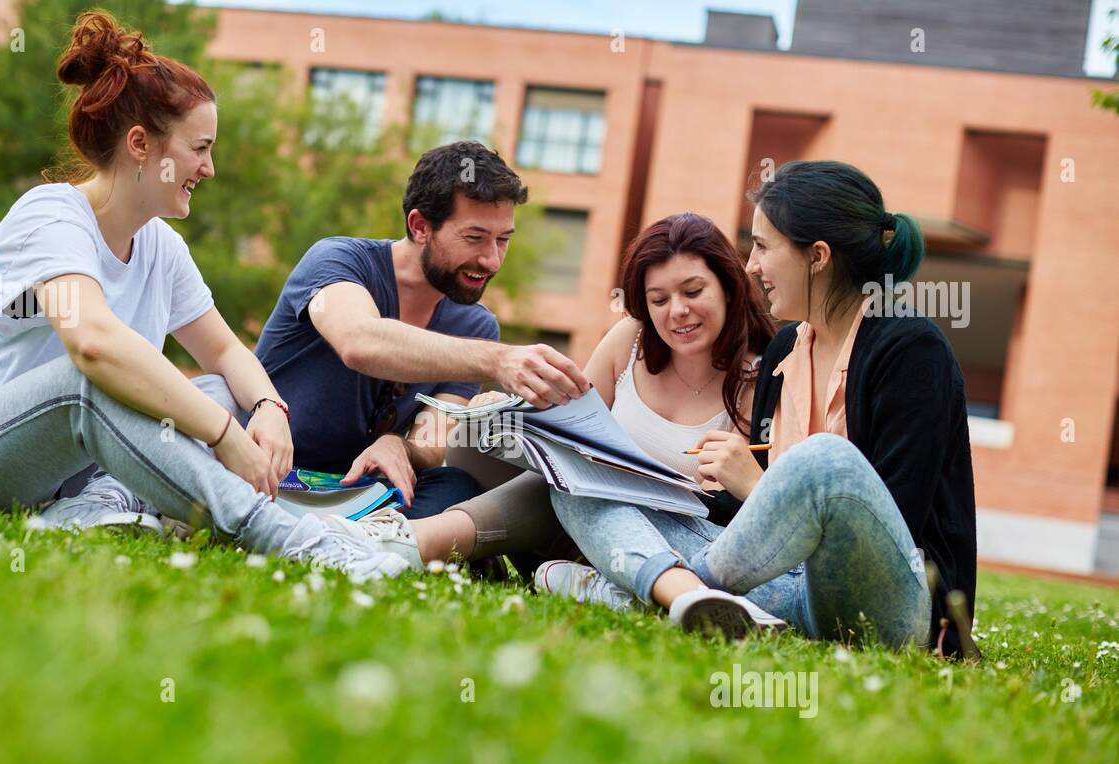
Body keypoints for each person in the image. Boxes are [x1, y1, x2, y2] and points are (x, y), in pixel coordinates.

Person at [0, 12, 407, 582]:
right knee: (94, 383)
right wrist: (224, 438)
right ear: (141, 144)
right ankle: (297, 541)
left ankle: (91, 508)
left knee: (223, 391)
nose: (209, 168)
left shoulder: (160, 248)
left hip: (44, 473)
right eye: (200, 148)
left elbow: (224, 354)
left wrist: (268, 409)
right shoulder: (52, 214)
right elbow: (93, 345)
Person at [540, 161, 979, 657]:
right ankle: (684, 597)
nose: (750, 266)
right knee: (579, 483)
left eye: (764, 247)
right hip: (787, 589)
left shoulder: (910, 349)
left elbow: (892, 523)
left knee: (823, 460)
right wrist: (663, 491)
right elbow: (749, 526)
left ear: (817, 256)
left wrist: (755, 483)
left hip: (887, 606)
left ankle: (662, 591)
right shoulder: (787, 348)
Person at [337, 211, 775, 579]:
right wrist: (510, 416)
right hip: (568, 523)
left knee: (581, 495)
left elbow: (754, 507)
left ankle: (410, 542)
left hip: (655, 546)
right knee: (487, 446)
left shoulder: (761, 379)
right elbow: (574, 426)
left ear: (728, 286)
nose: (677, 312)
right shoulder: (631, 340)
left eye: (693, 292)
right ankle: (425, 542)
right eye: (658, 299)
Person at [252, 141, 589, 520]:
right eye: (475, 238)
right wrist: (498, 361)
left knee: (456, 486)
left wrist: (400, 446)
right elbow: (359, 342)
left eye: (503, 240)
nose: (491, 260)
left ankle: (365, 537)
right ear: (420, 226)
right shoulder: (338, 260)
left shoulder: (476, 325)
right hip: (268, 470)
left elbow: (432, 437)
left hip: (352, 489)